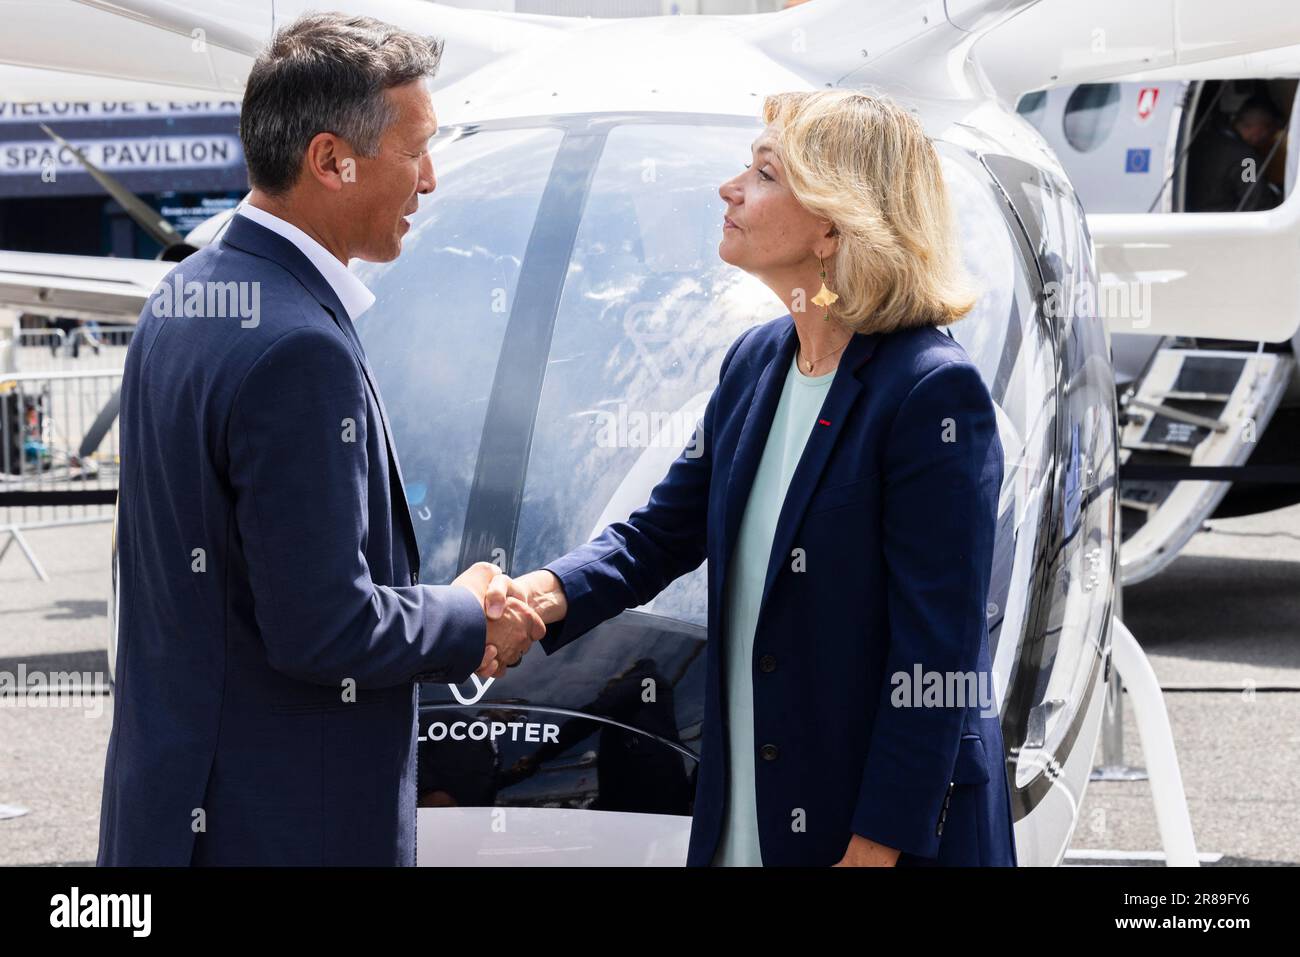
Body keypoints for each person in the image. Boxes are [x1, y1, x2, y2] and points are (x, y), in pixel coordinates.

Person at [508, 90, 1017, 867]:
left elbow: (936, 658)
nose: (730, 188)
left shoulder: (929, 391)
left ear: (833, 222)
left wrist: (875, 847)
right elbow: (656, 536)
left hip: (873, 835)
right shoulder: (756, 362)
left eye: (764, 173)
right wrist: (534, 598)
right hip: (748, 819)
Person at [98, 12, 545, 867]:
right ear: (331, 160)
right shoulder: (299, 345)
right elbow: (323, 626)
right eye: (416, 152)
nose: (431, 181)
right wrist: (467, 612)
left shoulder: (184, 295)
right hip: (279, 827)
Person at [1186, 97, 1283, 212]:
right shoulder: (1247, 159)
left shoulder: (1203, 141)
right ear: (1259, 129)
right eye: (1271, 132)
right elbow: (1257, 202)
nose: (1269, 139)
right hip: (1228, 225)